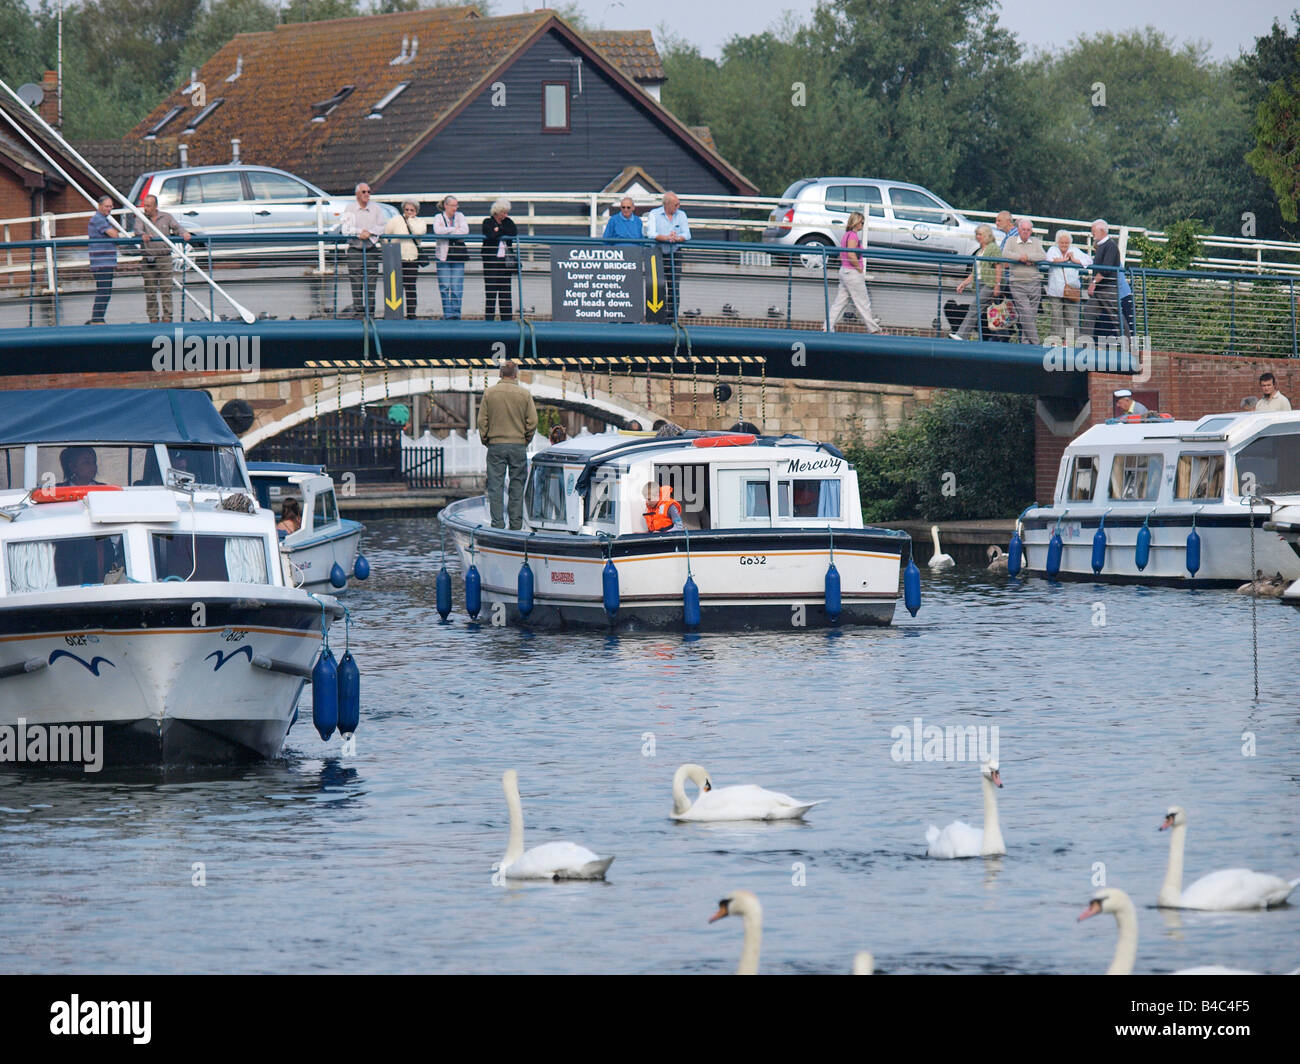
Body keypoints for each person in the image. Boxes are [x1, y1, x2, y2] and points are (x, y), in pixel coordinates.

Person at [478, 360, 537, 530]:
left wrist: (486, 440)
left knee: (495, 486)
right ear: (516, 374)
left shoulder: (489, 393)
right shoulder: (524, 395)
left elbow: (482, 421)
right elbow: (532, 422)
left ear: (500, 374)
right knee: (517, 485)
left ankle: (497, 524)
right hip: (518, 445)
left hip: (496, 445)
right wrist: (525, 439)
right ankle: (516, 525)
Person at [134, 193, 190, 324]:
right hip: (148, 258)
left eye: (148, 206)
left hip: (164, 258)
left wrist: (184, 233)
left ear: (155, 206)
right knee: (150, 290)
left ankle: (167, 317)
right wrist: (142, 234)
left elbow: (177, 227)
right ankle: (153, 317)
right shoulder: (140, 218)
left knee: (166, 289)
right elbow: (137, 229)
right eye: (144, 205)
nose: (145, 208)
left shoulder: (166, 217)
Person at [827, 212, 883, 333]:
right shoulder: (853, 236)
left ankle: (827, 327)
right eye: (862, 223)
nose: (863, 225)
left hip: (844, 271)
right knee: (863, 302)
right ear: (856, 222)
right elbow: (851, 254)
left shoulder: (846, 235)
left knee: (840, 302)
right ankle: (874, 329)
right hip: (852, 273)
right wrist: (859, 268)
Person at [340, 182, 384, 317]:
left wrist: (369, 233)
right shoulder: (350, 208)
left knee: (371, 282)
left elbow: (382, 227)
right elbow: (345, 229)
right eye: (364, 192)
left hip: (371, 248)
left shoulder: (376, 208)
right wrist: (360, 232)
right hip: (355, 249)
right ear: (357, 194)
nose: (367, 195)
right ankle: (359, 311)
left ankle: (370, 312)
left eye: (369, 192)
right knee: (356, 281)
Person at [1001, 217, 1046, 345]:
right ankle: (1036, 342)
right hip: (1018, 282)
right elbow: (1005, 253)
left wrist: (1030, 257)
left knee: (1031, 315)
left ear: (1031, 231)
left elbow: (1043, 256)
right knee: (1026, 313)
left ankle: (1025, 343)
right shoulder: (1011, 240)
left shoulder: (1036, 242)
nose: (1026, 232)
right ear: (1018, 230)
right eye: (1023, 229)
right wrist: (1020, 258)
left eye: (1028, 230)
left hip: (1034, 282)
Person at [953, 224, 1001, 340]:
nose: (978, 237)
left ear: (986, 235)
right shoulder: (980, 251)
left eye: (980, 234)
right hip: (980, 283)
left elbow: (999, 266)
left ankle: (962, 335)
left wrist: (997, 285)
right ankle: (1003, 335)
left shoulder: (993, 248)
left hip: (989, 283)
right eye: (977, 234)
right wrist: (963, 283)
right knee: (987, 311)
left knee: (975, 307)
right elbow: (975, 272)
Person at [647, 191, 690, 316]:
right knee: (658, 285)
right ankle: (659, 316)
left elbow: (687, 234)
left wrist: (677, 238)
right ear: (667, 204)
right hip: (658, 252)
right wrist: (666, 238)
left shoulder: (681, 215)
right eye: (676, 204)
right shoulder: (654, 214)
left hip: (675, 252)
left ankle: (672, 317)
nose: (678, 207)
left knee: (674, 286)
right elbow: (651, 234)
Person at [1044, 230, 1091, 341]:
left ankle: (1071, 342)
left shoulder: (1074, 250)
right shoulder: (1053, 249)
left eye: (1066, 243)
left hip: (1072, 290)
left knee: (1072, 317)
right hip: (1056, 290)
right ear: (1057, 242)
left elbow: (1089, 260)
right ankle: (1056, 340)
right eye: (1062, 243)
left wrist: (1075, 260)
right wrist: (1064, 260)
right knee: (1056, 316)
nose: (1064, 245)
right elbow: (1049, 259)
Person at [384, 200, 427, 319]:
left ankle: (411, 314)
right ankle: (396, 315)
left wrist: (410, 220)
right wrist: (388, 251)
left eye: (411, 210)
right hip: (397, 258)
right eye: (406, 210)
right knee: (396, 287)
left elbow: (418, 232)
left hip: (412, 259)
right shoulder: (396, 220)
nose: (408, 212)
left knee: (411, 287)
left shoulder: (419, 222)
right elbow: (385, 234)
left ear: (416, 211)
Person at [432, 195, 470, 319]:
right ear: (446, 206)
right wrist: (454, 229)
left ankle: (456, 314)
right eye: (453, 205)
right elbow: (437, 231)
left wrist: (447, 230)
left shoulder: (460, 216)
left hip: (458, 256)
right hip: (443, 257)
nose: (455, 208)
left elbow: (465, 230)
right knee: (444, 286)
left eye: (456, 205)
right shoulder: (438, 217)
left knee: (456, 287)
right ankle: (447, 314)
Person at [480, 198, 517, 321]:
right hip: (491, 261)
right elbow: (490, 234)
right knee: (490, 292)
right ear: (497, 212)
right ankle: (489, 319)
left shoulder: (507, 221)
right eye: (503, 213)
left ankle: (507, 319)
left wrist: (499, 230)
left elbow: (513, 231)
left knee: (505, 292)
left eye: (507, 212)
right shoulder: (487, 222)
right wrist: (500, 232)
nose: (506, 215)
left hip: (505, 262)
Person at [86, 196, 121, 324]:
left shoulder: (102, 219)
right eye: (107, 206)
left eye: (111, 206)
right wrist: (116, 235)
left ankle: (98, 318)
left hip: (105, 261)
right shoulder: (98, 219)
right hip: (102, 262)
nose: (109, 209)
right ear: (99, 206)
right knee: (104, 291)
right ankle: (97, 319)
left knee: (105, 291)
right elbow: (114, 234)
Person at [1087, 219, 1121, 339]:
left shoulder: (1110, 246)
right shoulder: (1102, 246)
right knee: (1088, 313)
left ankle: (1130, 348)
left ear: (1102, 231)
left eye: (1093, 231)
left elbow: (1106, 269)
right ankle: (1086, 346)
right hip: (1101, 289)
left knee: (1116, 318)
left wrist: (1094, 282)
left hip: (1108, 289)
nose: (1092, 234)